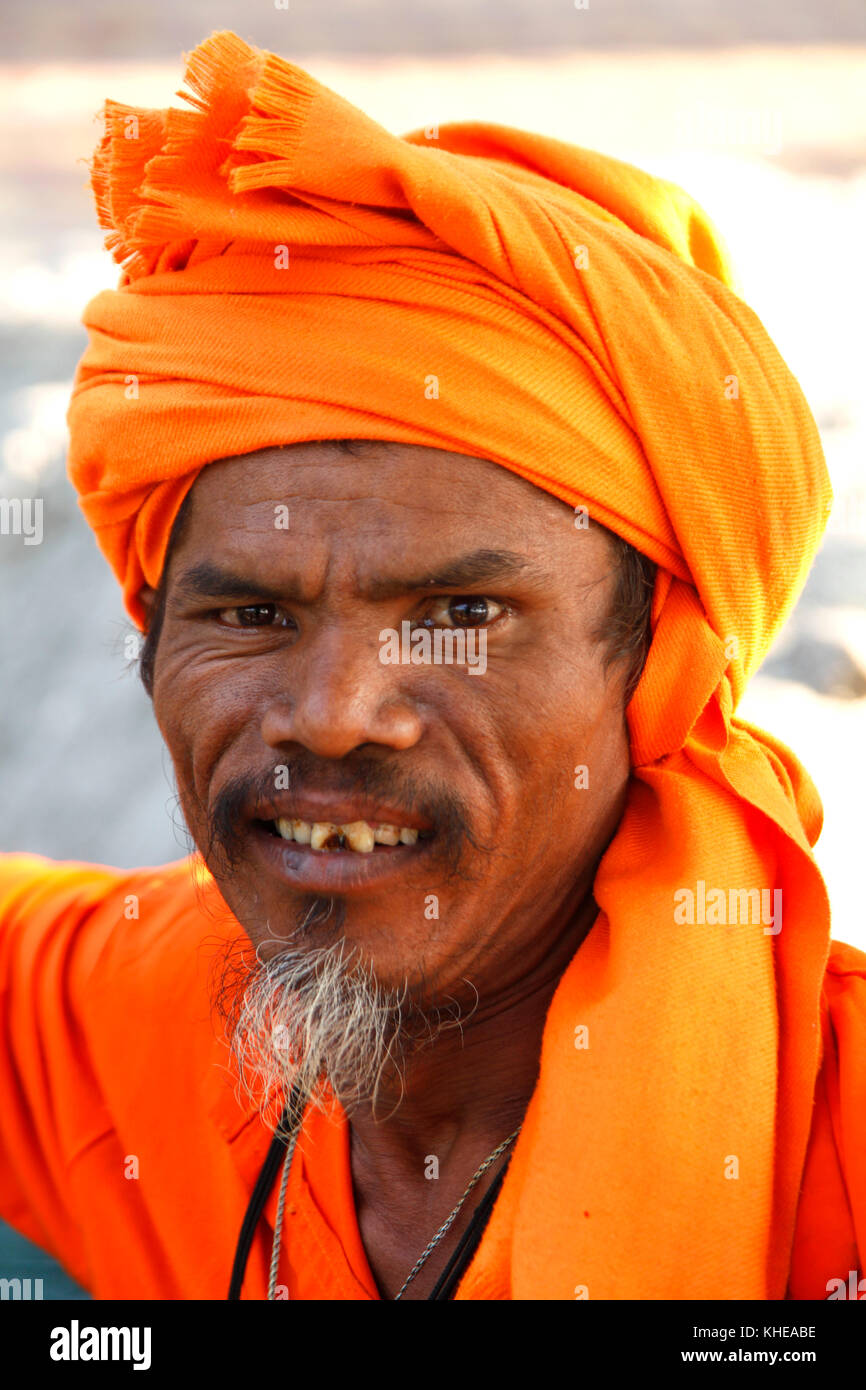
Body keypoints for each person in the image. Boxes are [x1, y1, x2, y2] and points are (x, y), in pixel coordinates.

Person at [0, 31, 862, 1301]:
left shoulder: (828, 1145)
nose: (333, 716)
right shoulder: (126, 1009)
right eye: (246, 615)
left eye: (461, 611)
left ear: (656, 668)